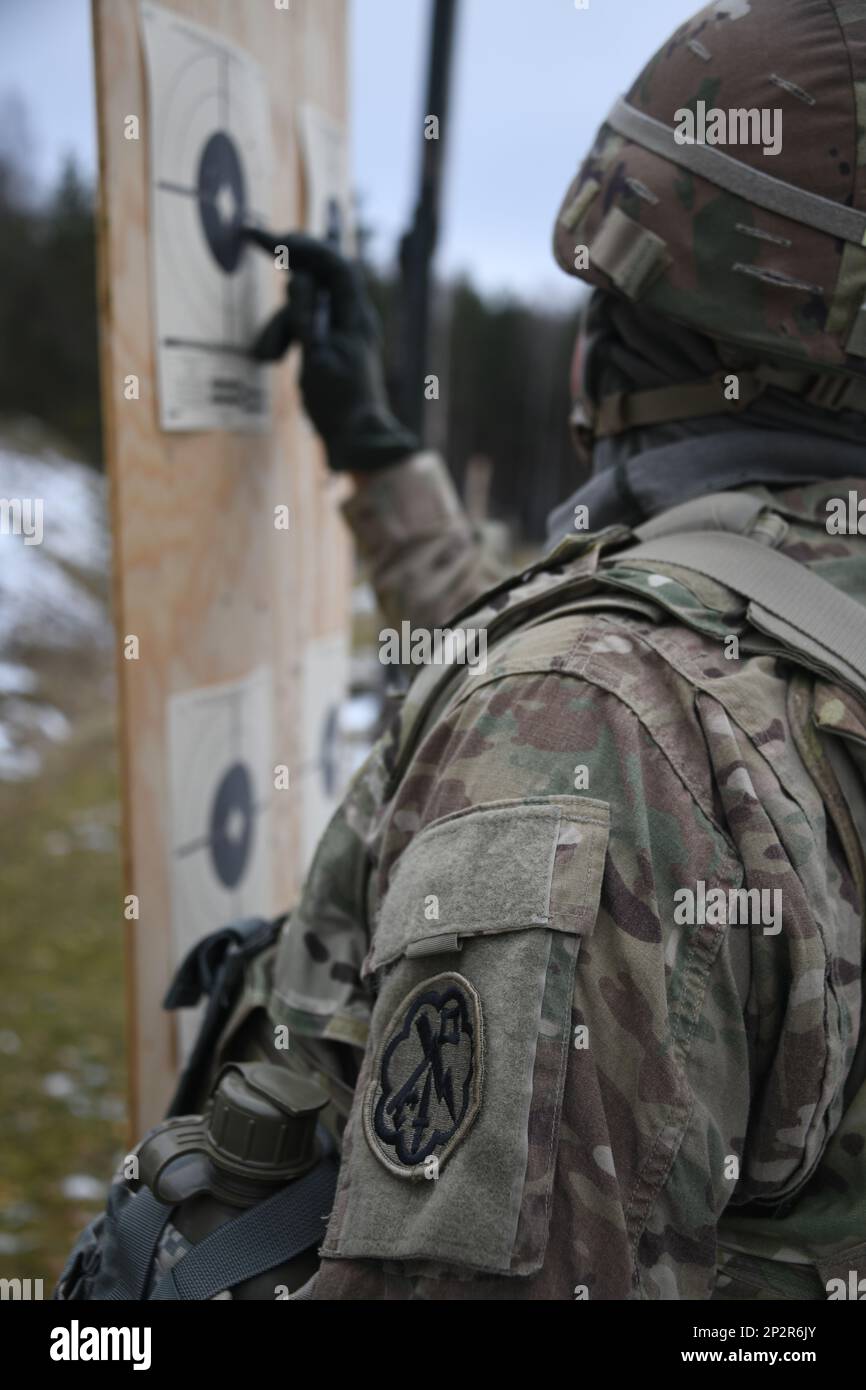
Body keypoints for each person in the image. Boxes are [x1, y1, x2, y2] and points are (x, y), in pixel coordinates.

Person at [57, 0, 866, 1301]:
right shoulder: (772, 627)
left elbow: (607, 716)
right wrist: (379, 450)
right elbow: (655, 671)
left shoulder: (595, 718)